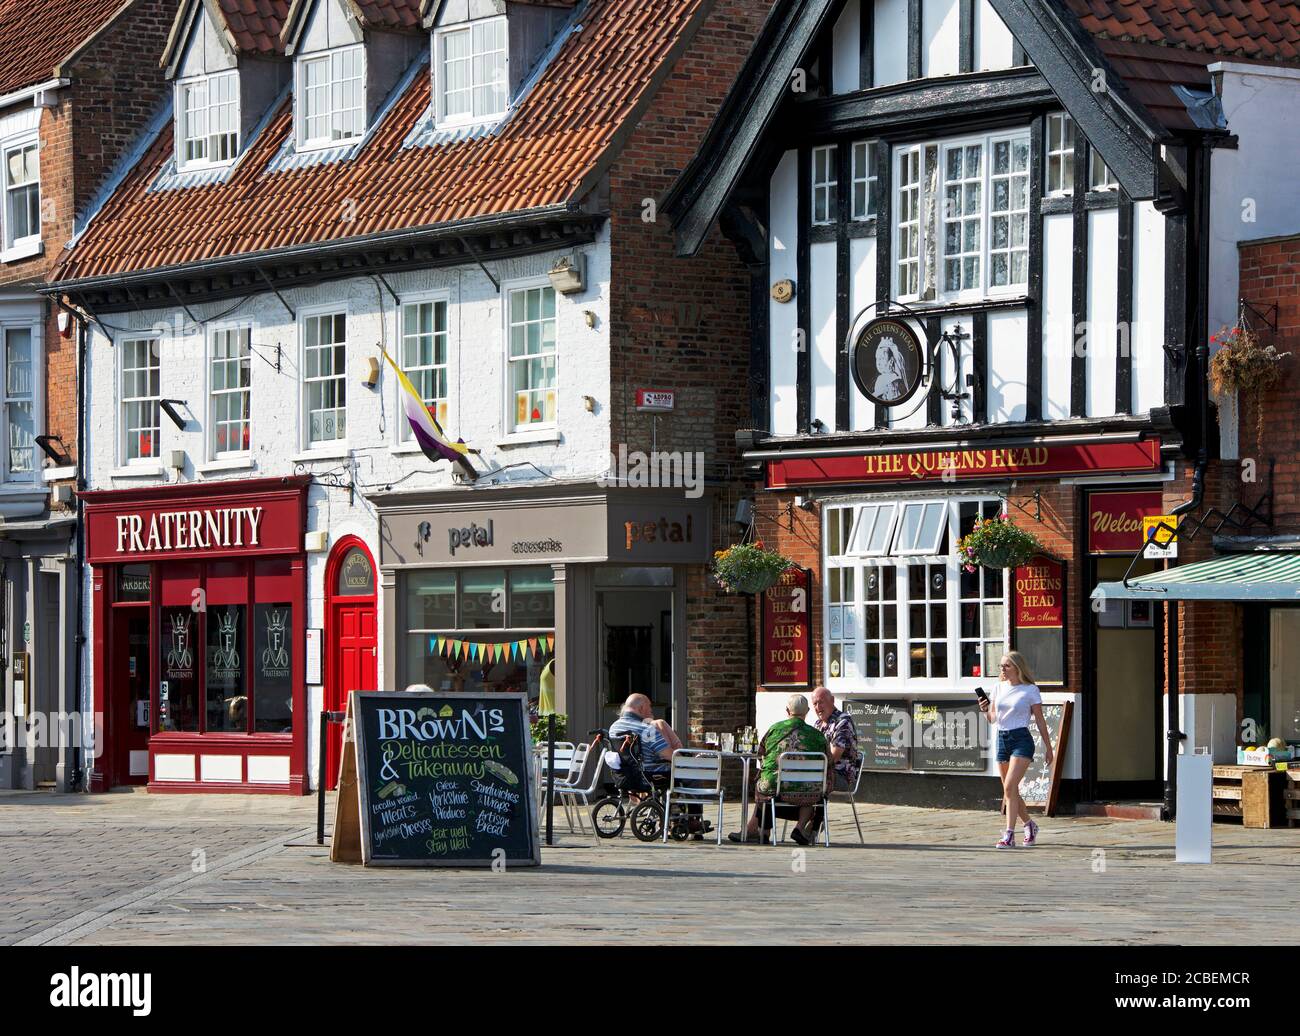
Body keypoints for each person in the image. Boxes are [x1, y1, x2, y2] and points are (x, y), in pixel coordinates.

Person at [729, 693, 829, 845]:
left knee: (765, 783)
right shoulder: (818, 736)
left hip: (775, 787)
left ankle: (763, 831)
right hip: (808, 789)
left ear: (787, 711)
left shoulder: (774, 730)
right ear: (807, 711)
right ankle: (800, 828)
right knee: (814, 792)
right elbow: (829, 760)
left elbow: (760, 753)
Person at [978, 651, 1054, 848]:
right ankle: (1029, 825)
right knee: (1009, 790)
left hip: (1021, 738)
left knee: (1010, 787)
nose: (1002, 669)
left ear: (1017, 668)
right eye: (1001, 665)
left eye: (1007, 665)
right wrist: (985, 710)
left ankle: (1009, 835)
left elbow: (1039, 719)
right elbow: (993, 719)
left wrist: (1048, 747)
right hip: (1002, 738)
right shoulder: (998, 688)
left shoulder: (1030, 690)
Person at [803, 687, 861, 840]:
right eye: (814, 704)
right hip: (821, 773)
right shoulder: (817, 724)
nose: (817, 707)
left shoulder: (843, 721)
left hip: (842, 775)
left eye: (821, 702)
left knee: (819, 779)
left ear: (832, 701)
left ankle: (814, 826)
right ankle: (802, 824)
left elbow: (834, 756)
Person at [608, 693, 679, 775]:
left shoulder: (614, 727)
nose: (651, 710)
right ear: (641, 708)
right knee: (692, 775)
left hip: (626, 777)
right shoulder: (647, 729)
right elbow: (670, 756)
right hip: (653, 776)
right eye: (649, 706)